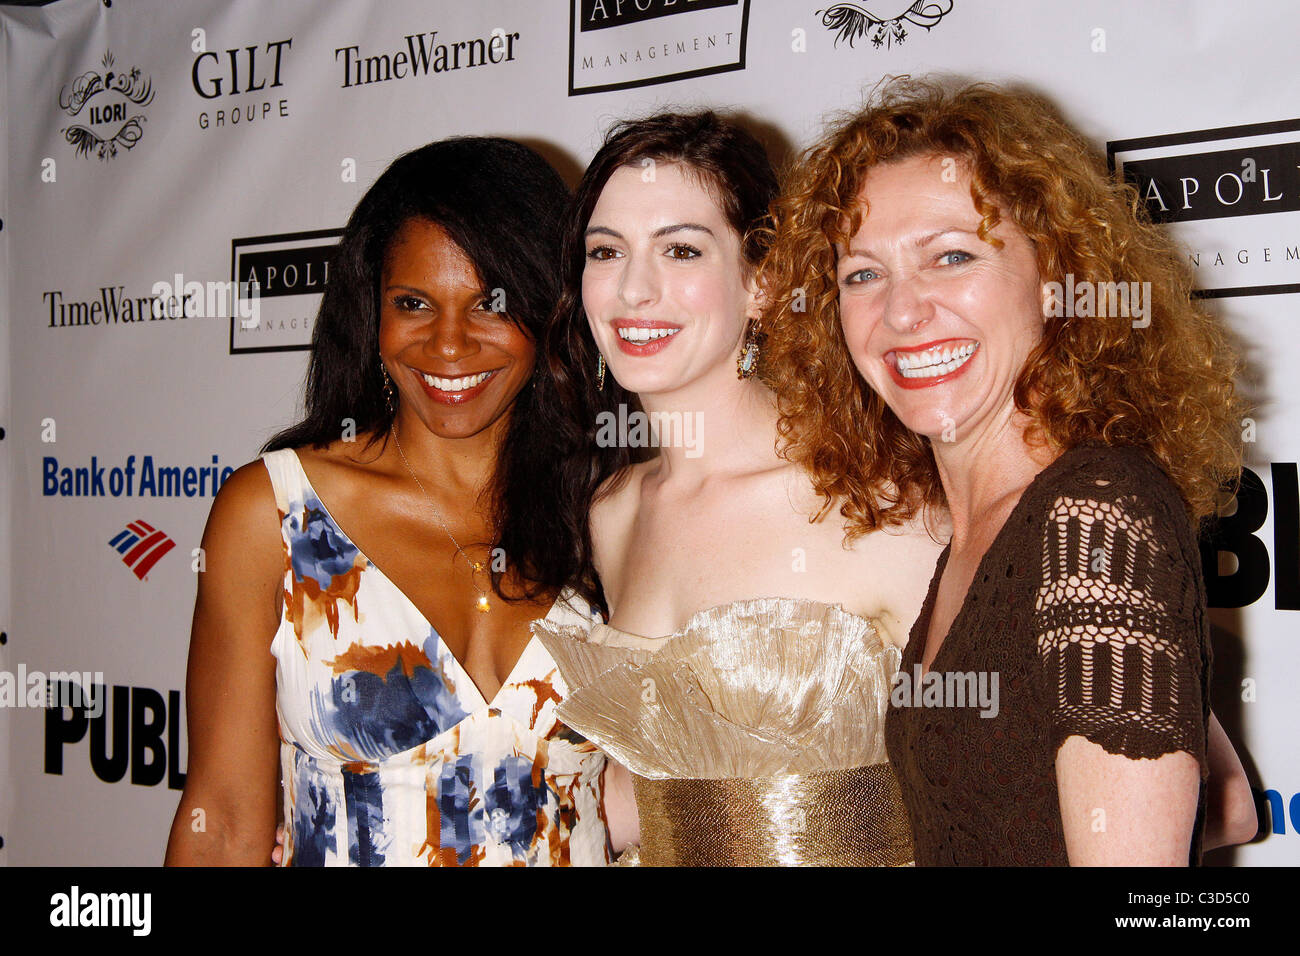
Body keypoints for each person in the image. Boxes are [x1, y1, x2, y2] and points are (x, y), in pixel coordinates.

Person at [760, 77, 1258, 864]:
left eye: (951, 256)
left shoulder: (1096, 514)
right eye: (862, 274)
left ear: (1057, 278)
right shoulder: (977, 535)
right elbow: (1225, 801)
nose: (902, 310)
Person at [164, 137, 612, 866]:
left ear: (548, 310)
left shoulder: (610, 513)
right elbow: (225, 816)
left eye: (489, 305)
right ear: (369, 313)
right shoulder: (275, 516)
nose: (449, 344)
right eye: (414, 304)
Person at [531, 111, 944, 865]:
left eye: (681, 250)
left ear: (762, 283)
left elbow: (1044, 783)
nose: (633, 290)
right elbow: (650, 786)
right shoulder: (612, 511)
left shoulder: (882, 498)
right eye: (605, 252)